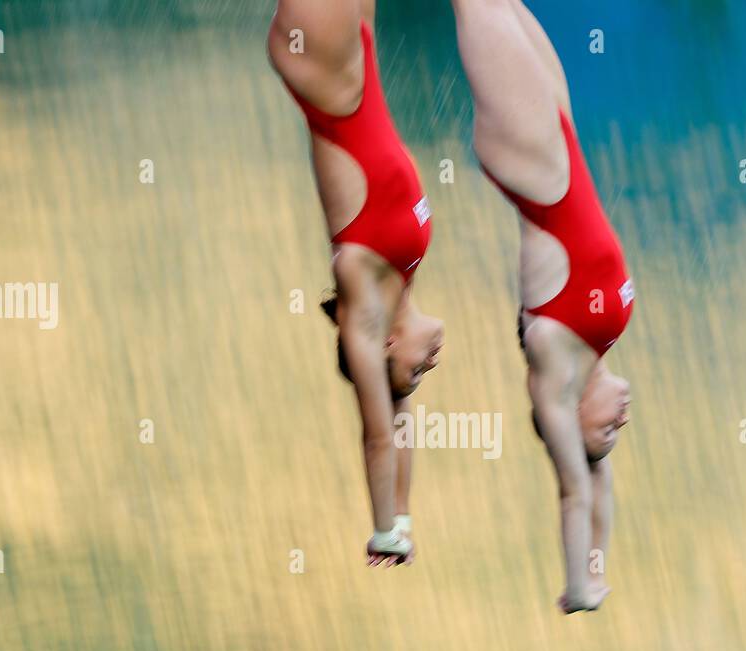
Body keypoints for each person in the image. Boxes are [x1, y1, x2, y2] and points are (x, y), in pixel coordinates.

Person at [452, 0, 633, 611]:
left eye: (604, 430)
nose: (622, 419)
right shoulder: (598, 347)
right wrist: (598, 567)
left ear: (571, 416)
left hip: (530, 159)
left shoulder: (555, 369)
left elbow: (576, 490)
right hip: (557, 141)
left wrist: (578, 588)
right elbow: (599, 486)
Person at [269, 0, 444, 566]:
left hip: (322, 66)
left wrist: (386, 532)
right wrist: (408, 515)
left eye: (414, 370)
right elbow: (398, 427)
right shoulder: (402, 277)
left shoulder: (364, 301)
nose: (431, 365)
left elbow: (378, 434)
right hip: (350, 53)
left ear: (384, 345)